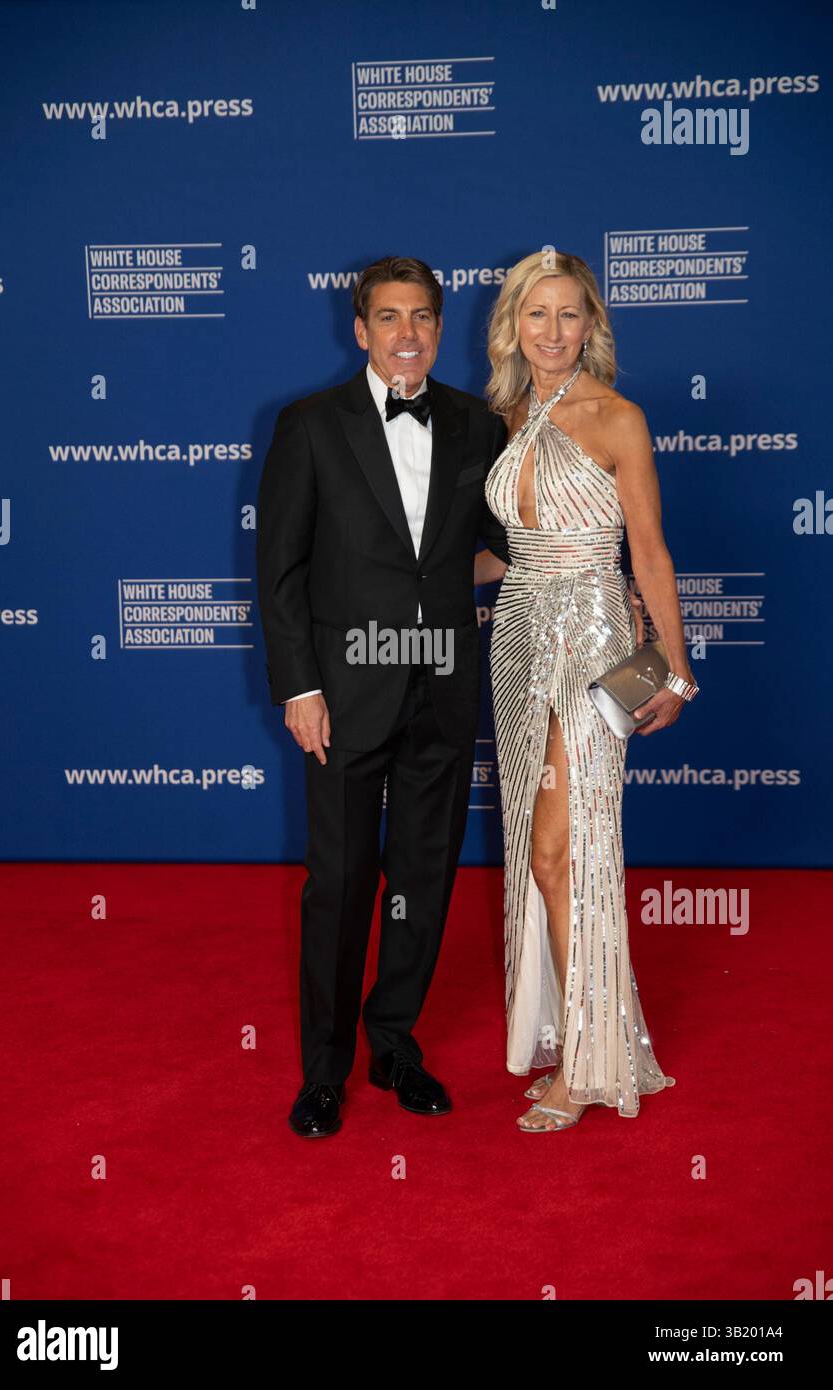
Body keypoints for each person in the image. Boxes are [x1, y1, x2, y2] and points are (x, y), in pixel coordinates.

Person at [257, 256, 511, 1137]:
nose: (408, 334)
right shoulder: (310, 425)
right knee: (339, 882)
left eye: (424, 318)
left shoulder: (480, 426)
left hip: (442, 686)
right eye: (390, 317)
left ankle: (395, 1042)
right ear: (359, 330)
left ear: (441, 330)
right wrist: (300, 686)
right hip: (344, 693)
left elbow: (496, 548)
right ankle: (324, 1070)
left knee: (424, 873)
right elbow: (281, 570)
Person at [476, 250, 696, 1131]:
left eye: (569, 315)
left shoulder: (618, 418)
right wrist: (413, 586)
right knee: (537, 850)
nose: (553, 332)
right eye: (537, 315)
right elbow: (516, 548)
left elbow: (648, 553)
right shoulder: (504, 414)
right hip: (521, 633)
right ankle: (581, 1034)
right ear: (513, 327)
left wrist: (674, 669)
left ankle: (592, 1065)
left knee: (572, 848)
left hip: (596, 641)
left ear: (591, 327)